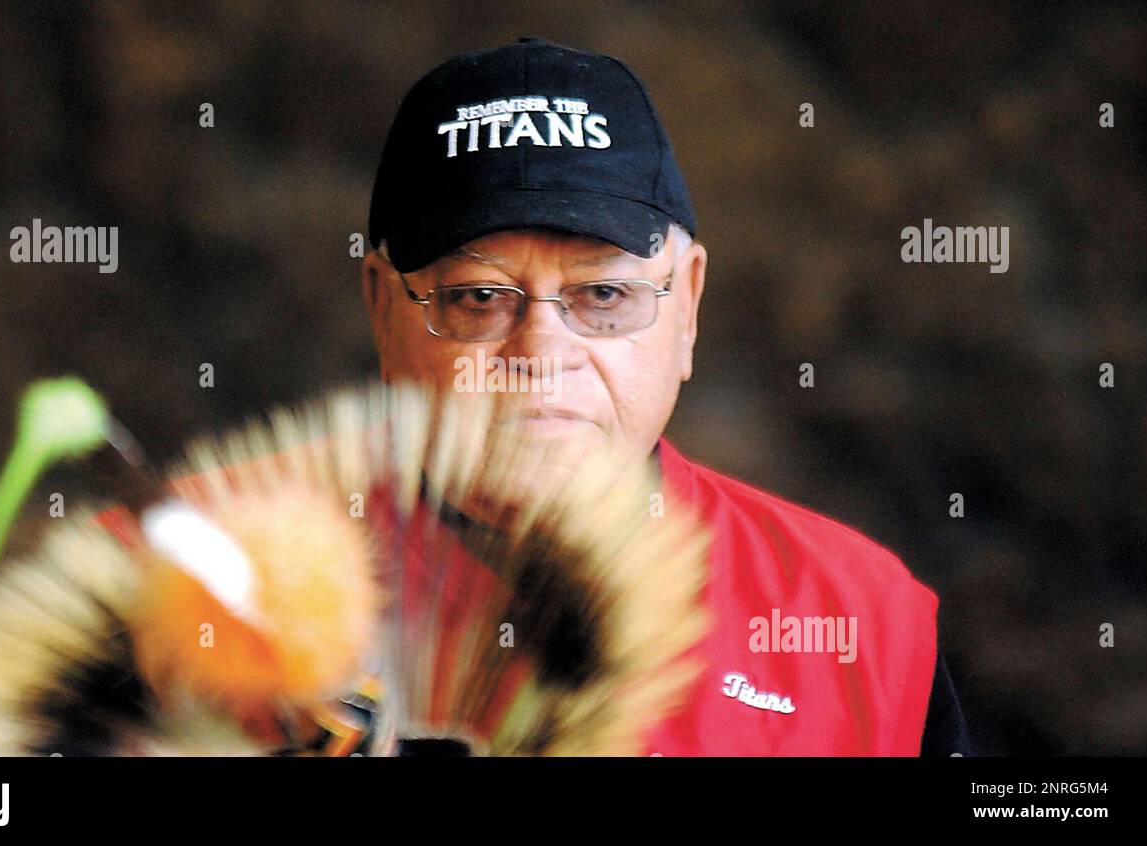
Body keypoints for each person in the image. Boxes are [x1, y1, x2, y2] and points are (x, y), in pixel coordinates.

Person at [361, 37, 970, 755]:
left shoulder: (861, 619)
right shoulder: (219, 582)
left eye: (604, 294)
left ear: (688, 306)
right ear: (379, 304)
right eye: (479, 297)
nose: (542, 353)